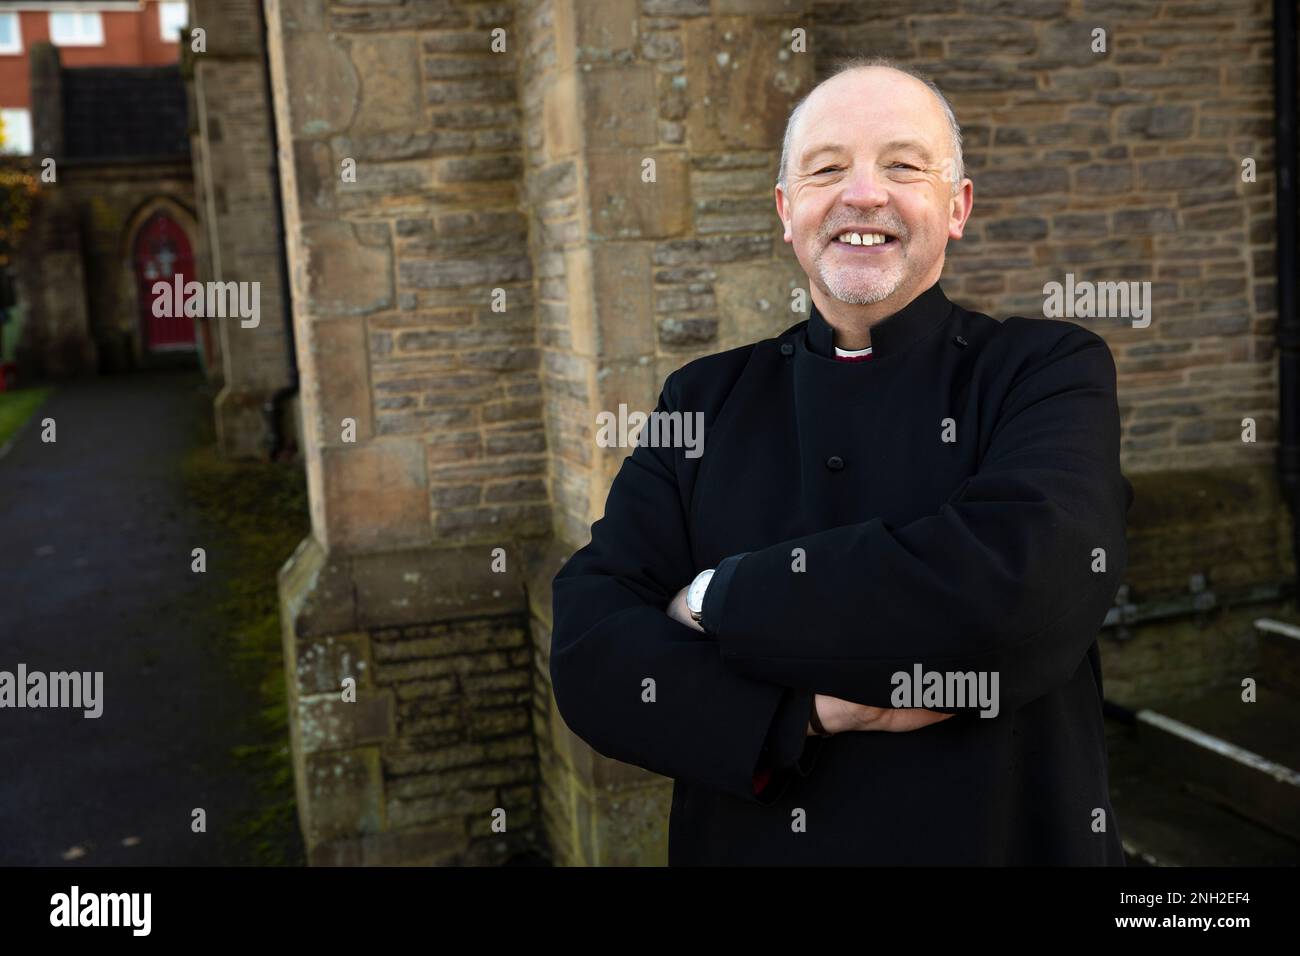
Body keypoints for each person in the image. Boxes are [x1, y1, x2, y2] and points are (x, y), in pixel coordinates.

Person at [549, 56, 1133, 865]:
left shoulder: (1044, 370)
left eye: (904, 166)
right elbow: (589, 656)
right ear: (788, 212)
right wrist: (808, 712)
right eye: (827, 169)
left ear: (956, 207)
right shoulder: (703, 399)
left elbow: (1016, 590)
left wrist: (714, 598)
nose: (864, 194)